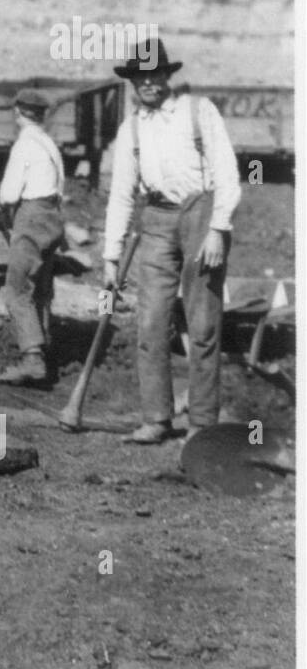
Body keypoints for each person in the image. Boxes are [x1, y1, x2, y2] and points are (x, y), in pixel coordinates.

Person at [102, 40, 240, 444]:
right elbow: (122, 194)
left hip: (201, 213)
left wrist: (218, 227)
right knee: (151, 321)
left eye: (154, 74)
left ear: (167, 75)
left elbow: (228, 172)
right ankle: (156, 418)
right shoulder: (132, 129)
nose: (148, 82)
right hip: (157, 219)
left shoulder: (199, 111)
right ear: (132, 82)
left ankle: (201, 424)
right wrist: (111, 255)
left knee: (202, 325)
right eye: (139, 76)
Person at [0, 88, 65, 385]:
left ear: (18, 113)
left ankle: (32, 359)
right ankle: (44, 344)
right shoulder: (49, 143)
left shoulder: (24, 145)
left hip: (32, 217)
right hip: (53, 217)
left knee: (18, 289)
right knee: (42, 288)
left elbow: (9, 193)